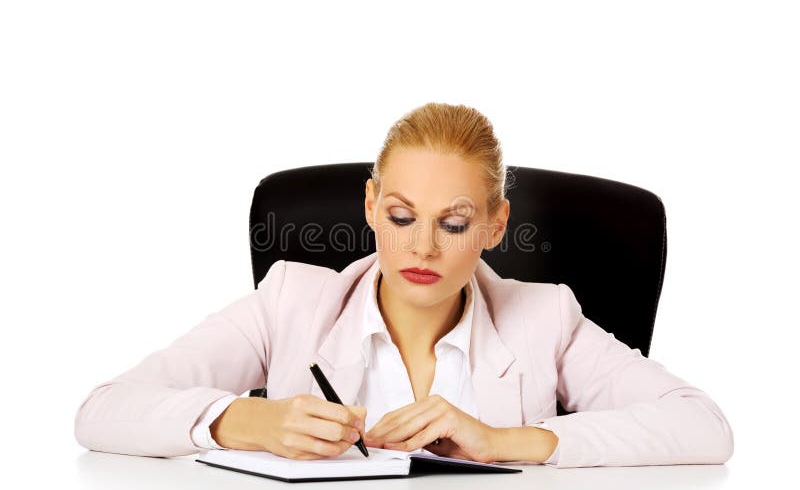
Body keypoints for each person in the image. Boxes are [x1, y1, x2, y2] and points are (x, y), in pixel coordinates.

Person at [74, 102, 734, 468]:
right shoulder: (289, 302)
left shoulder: (545, 318)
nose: (420, 246)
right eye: (400, 217)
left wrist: (503, 441)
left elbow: (704, 428)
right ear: (369, 207)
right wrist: (247, 419)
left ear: (496, 226)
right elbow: (100, 412)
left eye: (453, 222)